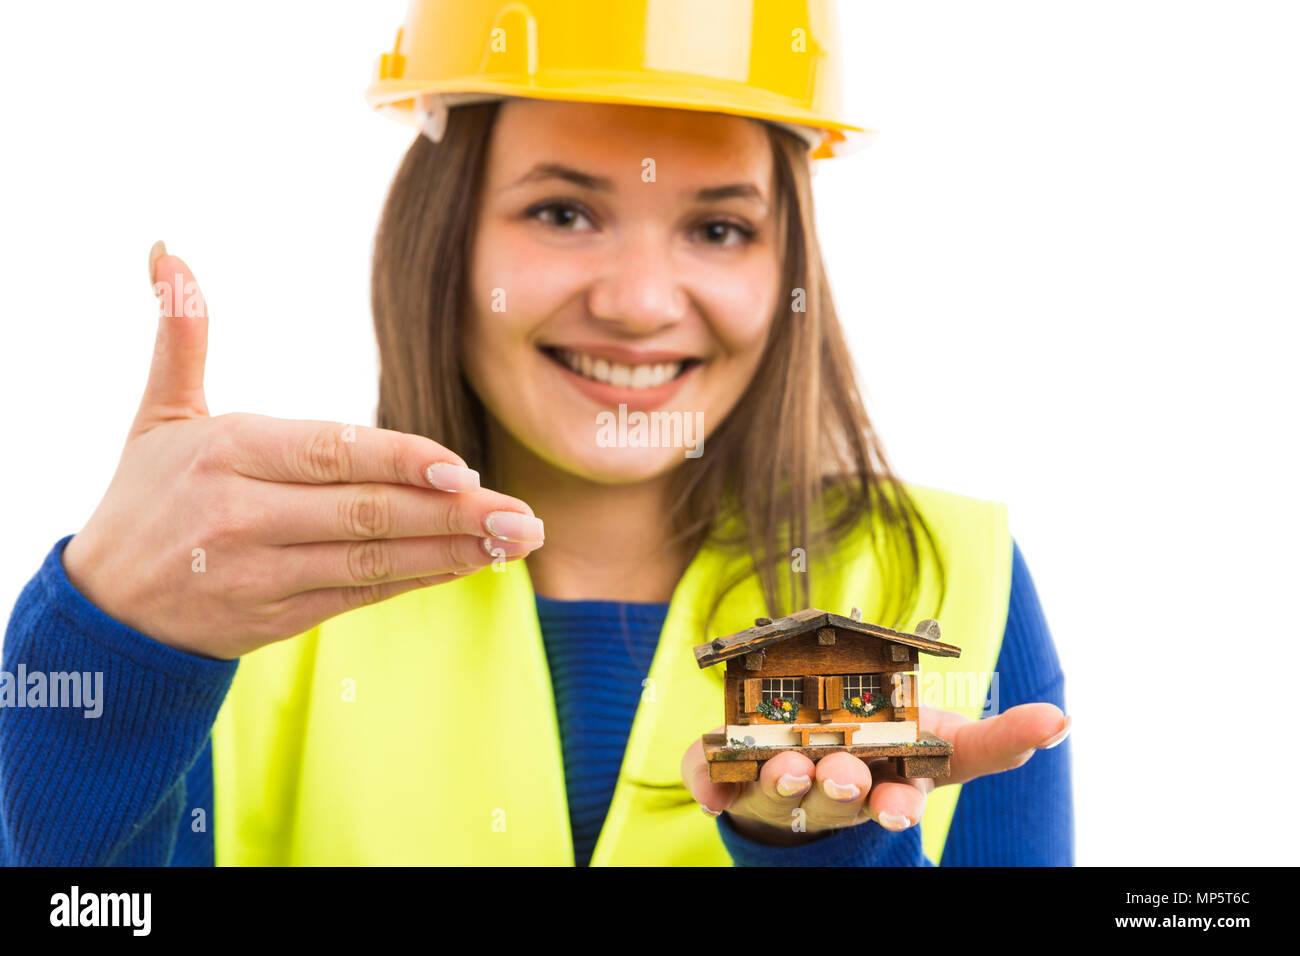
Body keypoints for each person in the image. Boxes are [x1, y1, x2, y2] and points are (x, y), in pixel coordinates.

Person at [0, 0, 1072, 866]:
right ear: (446, 231)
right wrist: (107, 651)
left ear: (786, 263)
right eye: (562, 211)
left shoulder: (949, 580)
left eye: (717, 227)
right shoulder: (246, 584)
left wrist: (832, 854)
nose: (643, 301)